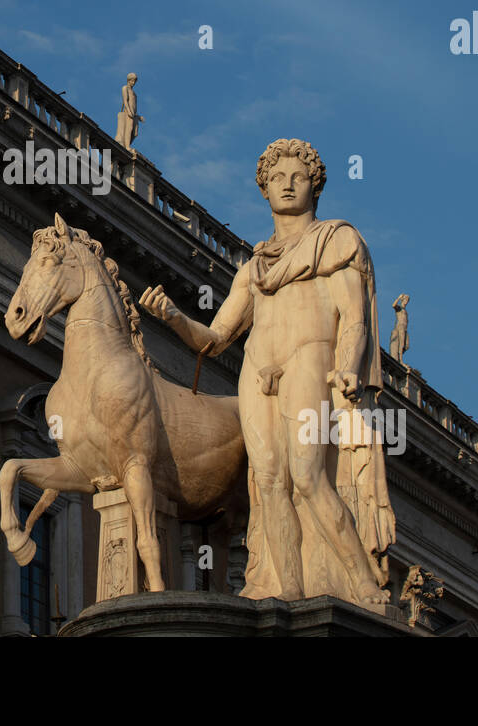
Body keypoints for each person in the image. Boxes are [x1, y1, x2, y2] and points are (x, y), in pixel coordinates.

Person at [139, 138, 393, 605]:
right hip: (257, 371)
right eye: (278, 178)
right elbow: (216, 339)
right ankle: (287, 589)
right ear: (264, 190)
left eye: (299, 177)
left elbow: (355, 318)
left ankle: (361, 583)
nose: (288, 185)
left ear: (315, 187)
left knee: (308, 474)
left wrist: (351, 367)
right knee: (270, 481)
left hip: (311, 358)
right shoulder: (254, 269)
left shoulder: (336, 242)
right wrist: (174, 317)